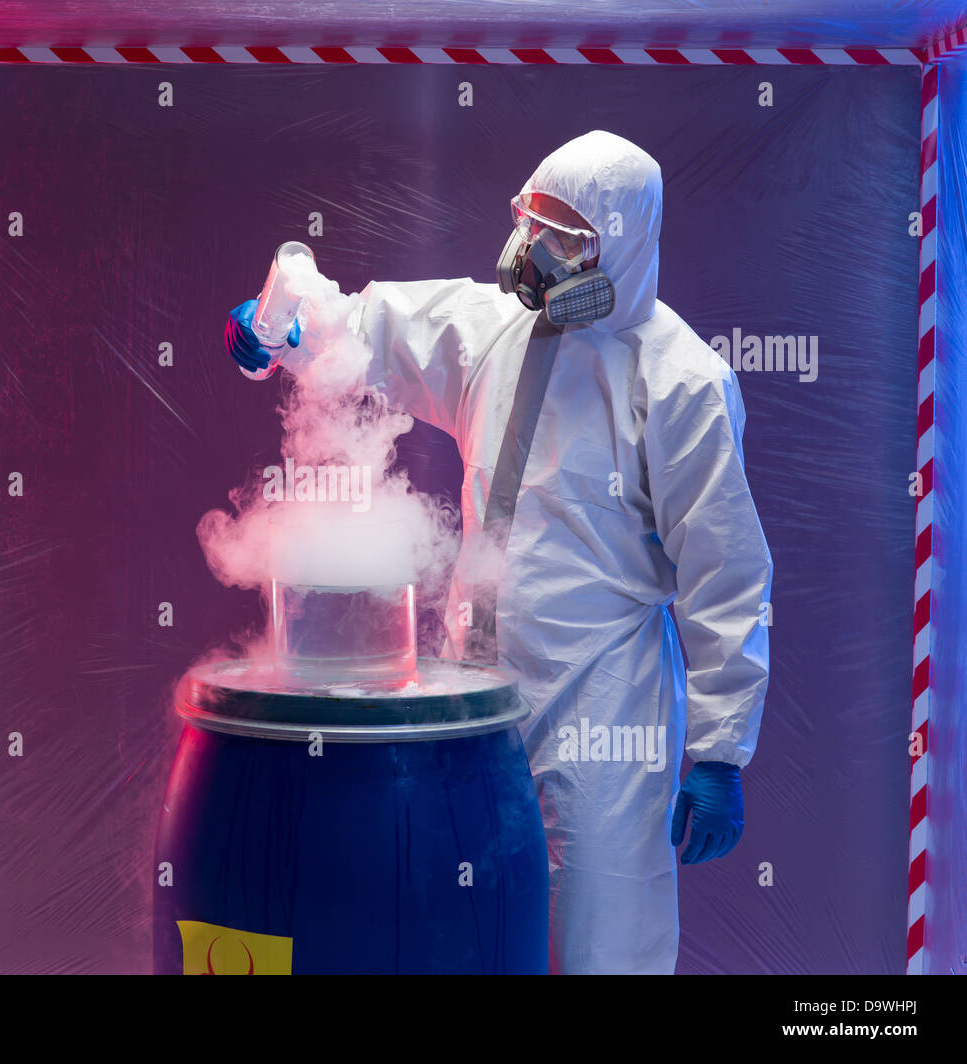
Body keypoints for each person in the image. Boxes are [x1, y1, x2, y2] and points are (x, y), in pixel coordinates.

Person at [224, 130, 772, 975]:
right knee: (468, 925)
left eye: (567, 238)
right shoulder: (492, 330)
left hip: (605, 700)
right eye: (533, 223)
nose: (538, 255)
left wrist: (720, 748)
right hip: (476, 692)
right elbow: (361, 326)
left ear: (618, 245)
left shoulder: (680, 381)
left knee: (602, 937)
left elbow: (725, 573)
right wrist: (282, 333)